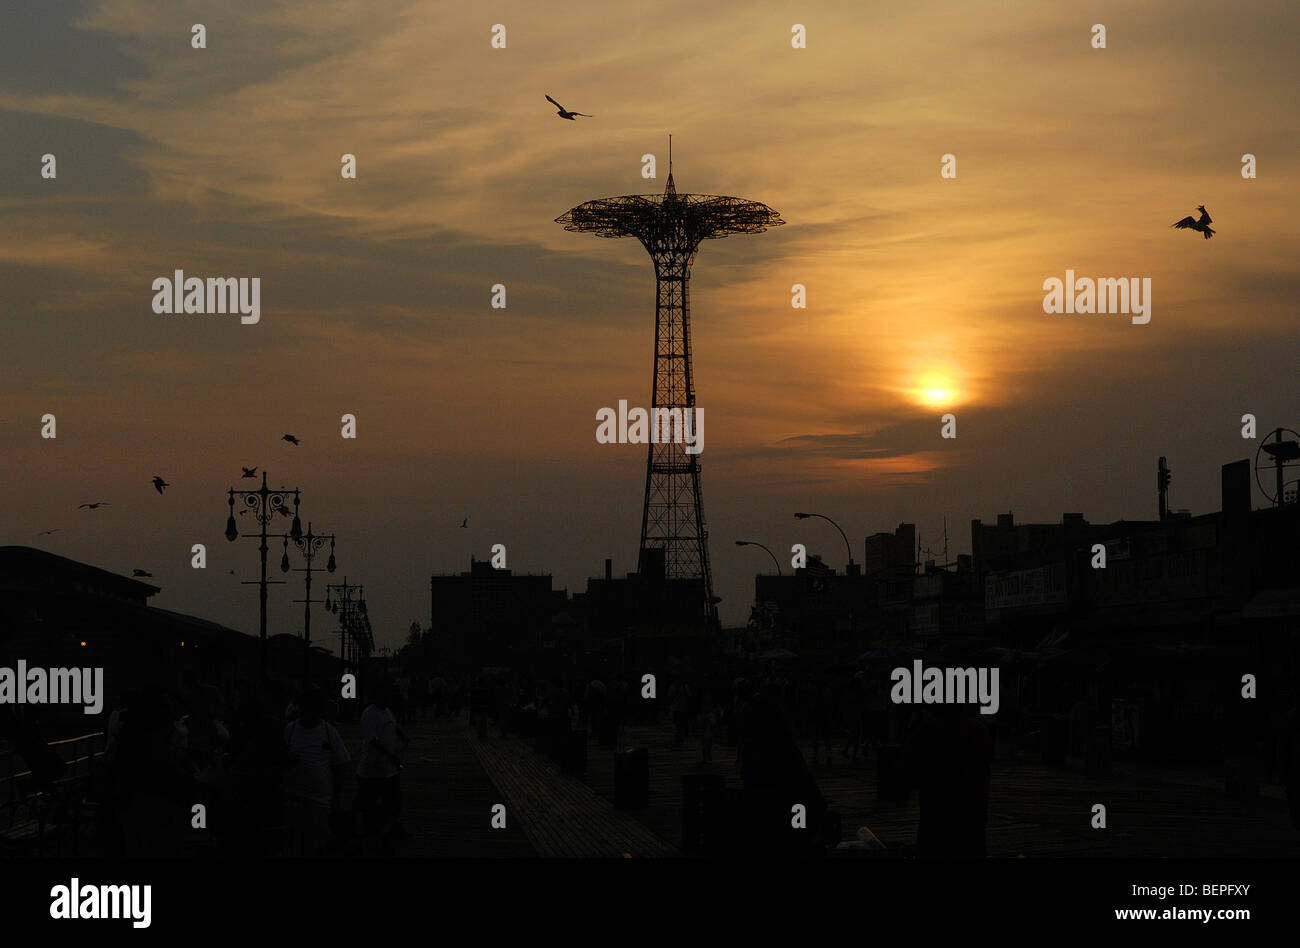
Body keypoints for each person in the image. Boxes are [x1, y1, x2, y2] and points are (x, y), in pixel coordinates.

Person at [283, 687, 349, 857]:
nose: (311, 714)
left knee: (318, 846)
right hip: (293, 799)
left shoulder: (329, 732)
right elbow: (277, 761)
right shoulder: (289, 730)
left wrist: (336, 799)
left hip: (321, 802)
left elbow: (340, 766)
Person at [356, 682, 409, 841]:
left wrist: (402, 735)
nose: (388, 699)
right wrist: (390, 755)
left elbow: (393, 724)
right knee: (370, 803)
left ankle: (392, 828)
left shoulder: (386, 710)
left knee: (394, 801)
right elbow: (373, 740)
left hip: (389, 769)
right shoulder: (369, 714)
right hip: (372, 769)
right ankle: (371, 833)